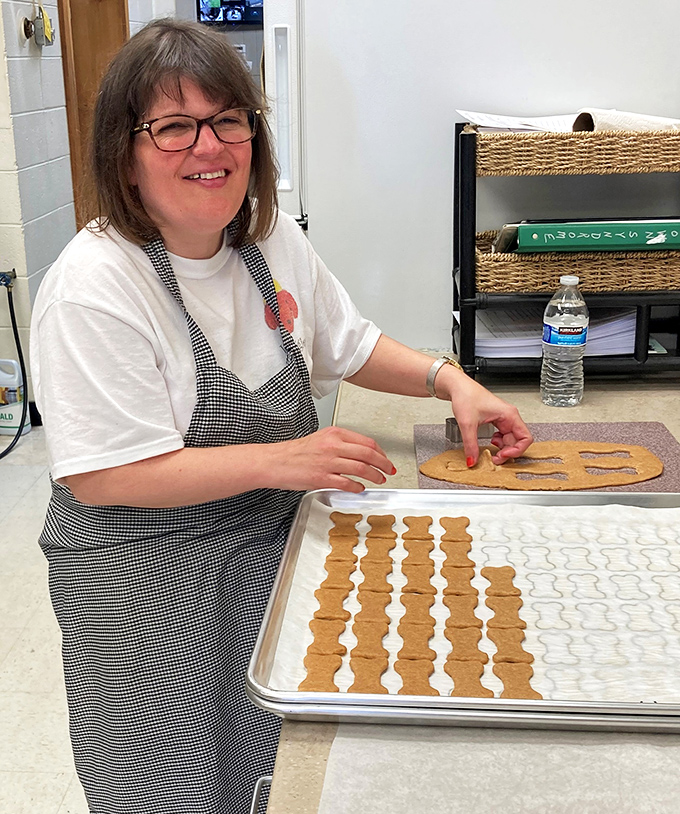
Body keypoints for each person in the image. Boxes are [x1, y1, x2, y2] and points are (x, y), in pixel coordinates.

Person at [30, 18, 532, 814]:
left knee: (273, 768)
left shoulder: (265, 242)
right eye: (174, 128)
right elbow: (102, 473)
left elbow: (349, 342)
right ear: (124, 157)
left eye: (230, 120)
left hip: (267, 548)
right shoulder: (95, 287)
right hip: (146, 584)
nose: (210, 147)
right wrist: (282, 459)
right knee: (172, 784)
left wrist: (449, 379)